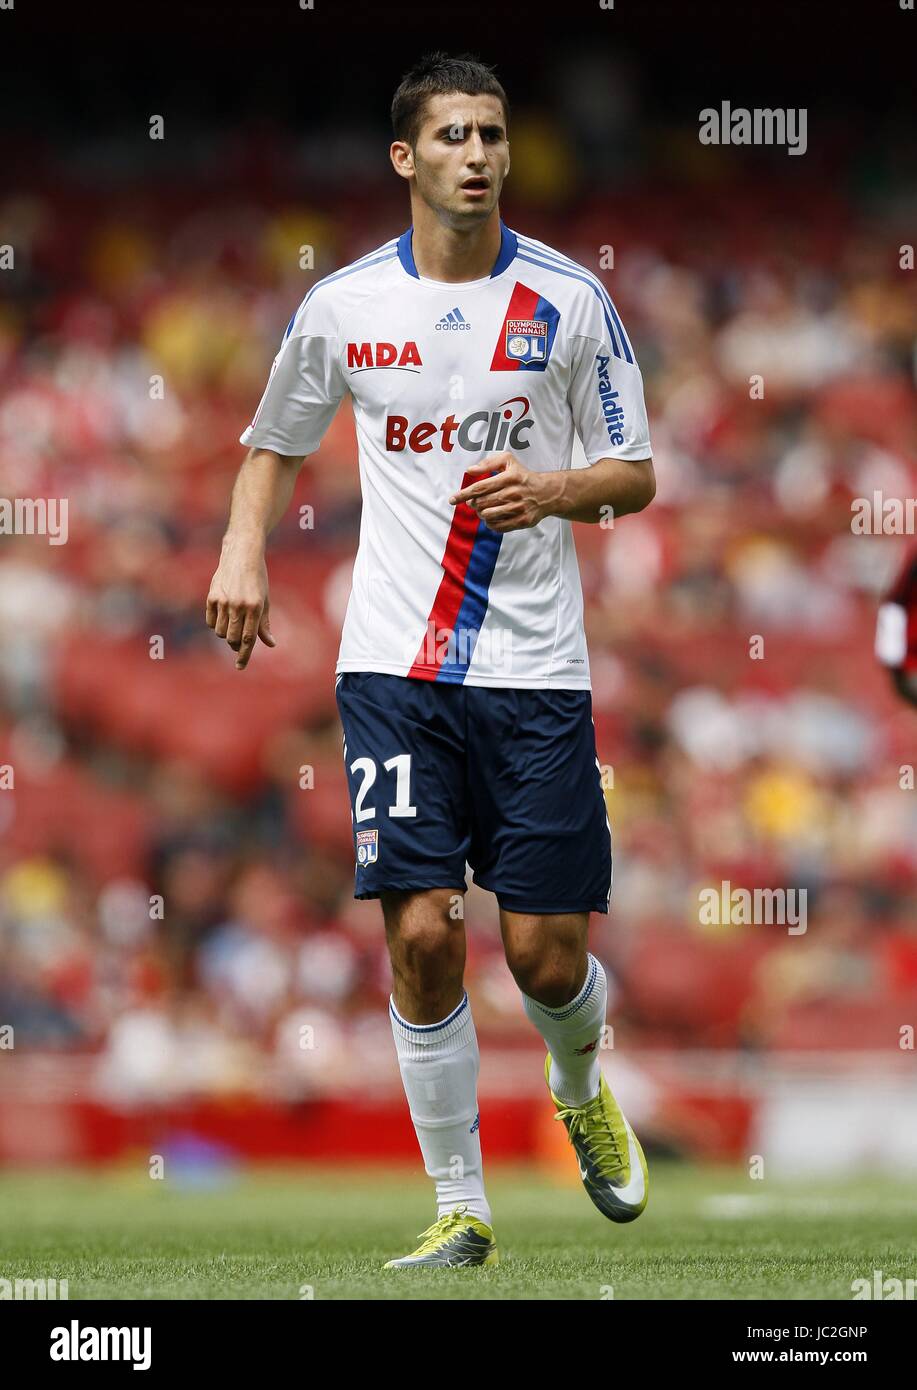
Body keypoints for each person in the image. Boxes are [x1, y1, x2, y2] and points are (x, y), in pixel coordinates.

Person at [207, 51, 656, 1268]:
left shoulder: (570, 301)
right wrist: (244, 549)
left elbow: (637, 470)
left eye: (492, 135)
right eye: (452, 136)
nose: (476, 155)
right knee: (417, 932)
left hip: (537, 673)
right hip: (392, 670)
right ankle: (461, 1203)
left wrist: (554, 486)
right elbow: (272, 442)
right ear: (405, 158)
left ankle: (578, 1083)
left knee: (544, 953)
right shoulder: (344, 305)